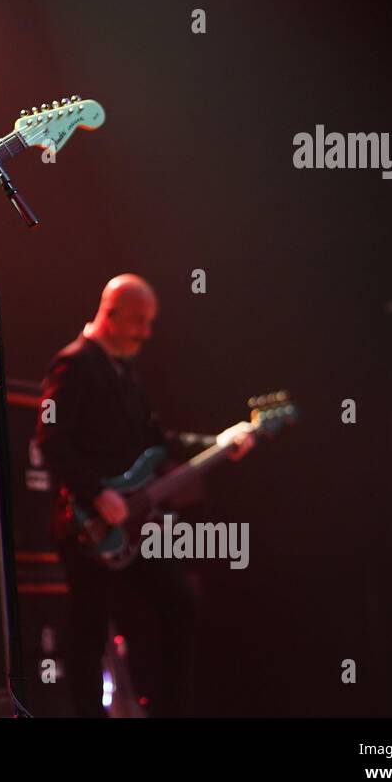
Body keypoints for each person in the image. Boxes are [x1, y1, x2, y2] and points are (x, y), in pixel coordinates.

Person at [35, 274, 254, 717]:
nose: (145, 332)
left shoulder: (125, 372)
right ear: (110, 313)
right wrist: (96, 494)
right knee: (88, 632)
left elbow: (158, 441)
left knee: (178, 602)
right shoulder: (74, 363)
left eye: (149, 322)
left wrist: (219, 442)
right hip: (87, 524)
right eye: (138, 321)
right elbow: (50, 438)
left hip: (130, 524)